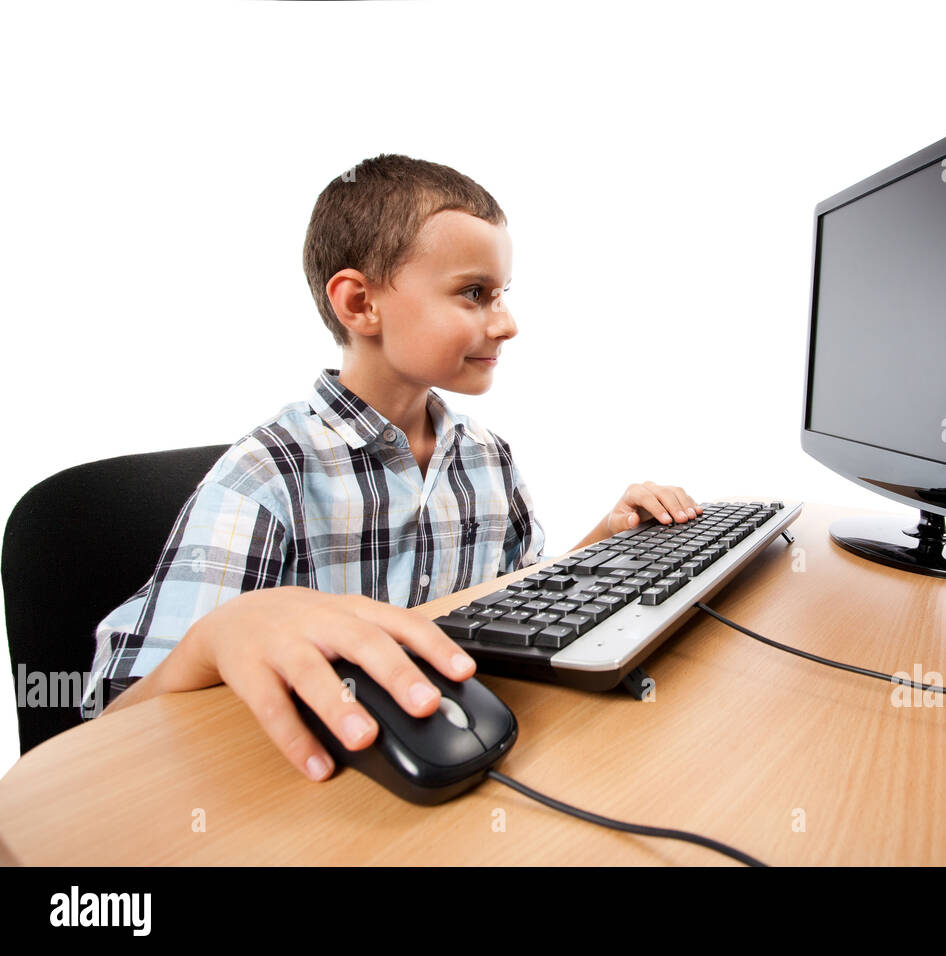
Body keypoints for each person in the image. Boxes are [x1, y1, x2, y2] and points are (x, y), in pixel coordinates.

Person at [82, 154, 703, 783]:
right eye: (474, 293)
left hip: (466, 756)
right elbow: (111, 724)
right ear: (360, 304)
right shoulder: (268, 477)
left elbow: (511, 603)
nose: (508, 323)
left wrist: (602, 545)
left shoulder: (488, 456)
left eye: (503, 294)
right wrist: (215, 637)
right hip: (310, 798)